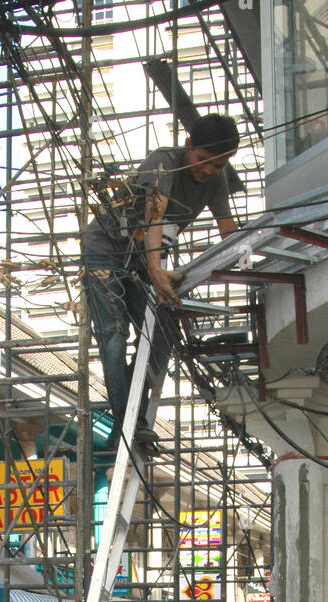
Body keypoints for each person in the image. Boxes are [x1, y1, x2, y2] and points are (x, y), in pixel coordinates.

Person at [82, 112, 240, 455]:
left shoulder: (216, 179)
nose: (209, 170)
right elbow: (156, 213)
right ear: (188, 146)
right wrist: (154, 269)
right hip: (105, 250)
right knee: (113, 336)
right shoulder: (163, 162)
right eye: (203, 160)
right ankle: (129, 423)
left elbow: (228, 226)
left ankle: (130, 418)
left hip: (143, 256)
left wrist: (246, 263)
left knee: (164, 332)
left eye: (219, 164)